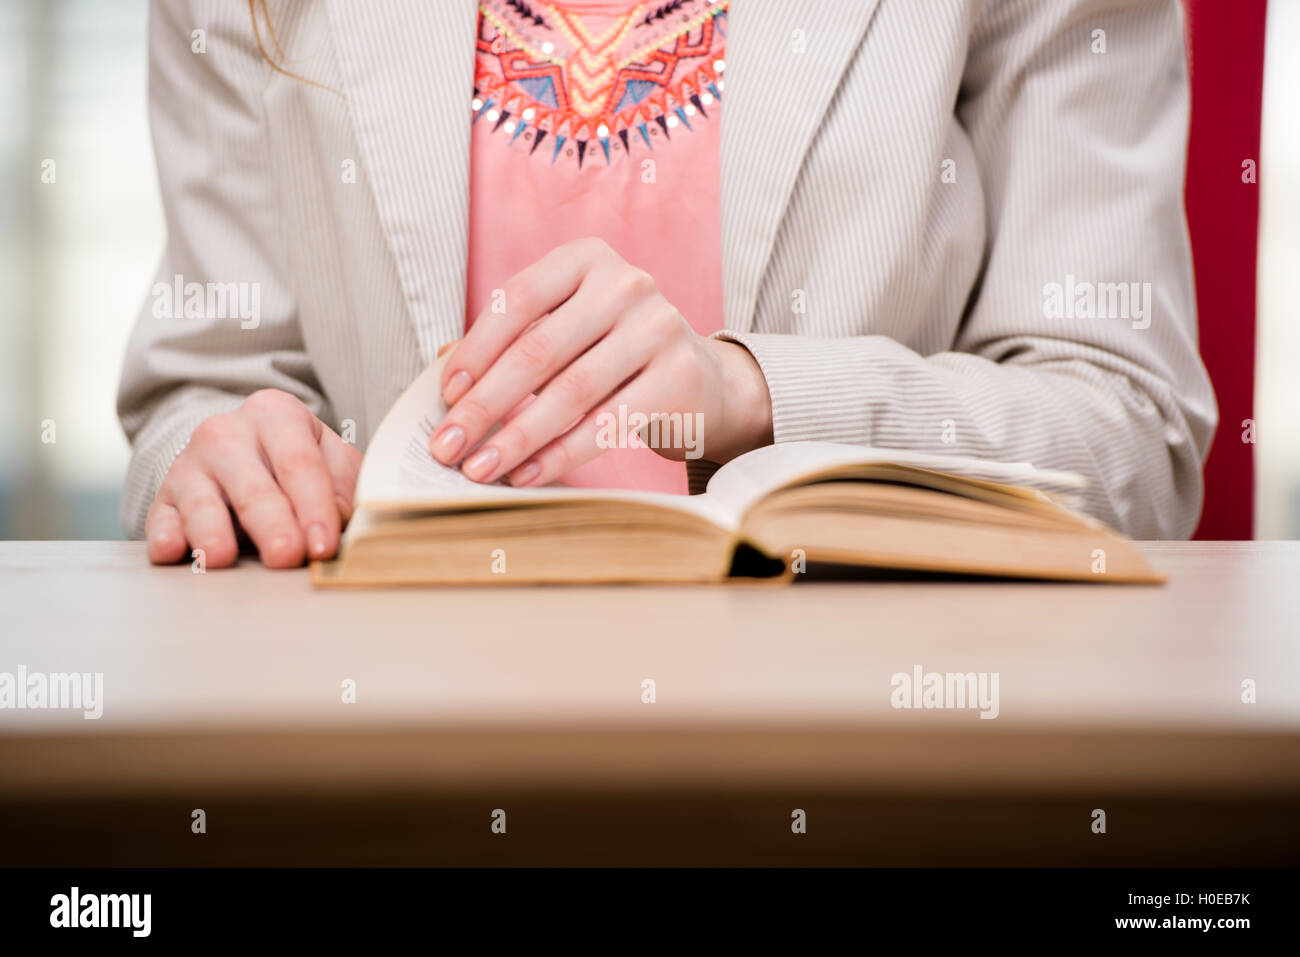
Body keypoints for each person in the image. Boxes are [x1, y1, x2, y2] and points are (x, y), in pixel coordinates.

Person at [118, 0, 1216, 568]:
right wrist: (221, 461)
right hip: (385, 766)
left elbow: (1129, 442)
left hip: (865, 770)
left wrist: (751, 395)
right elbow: (199, 398)